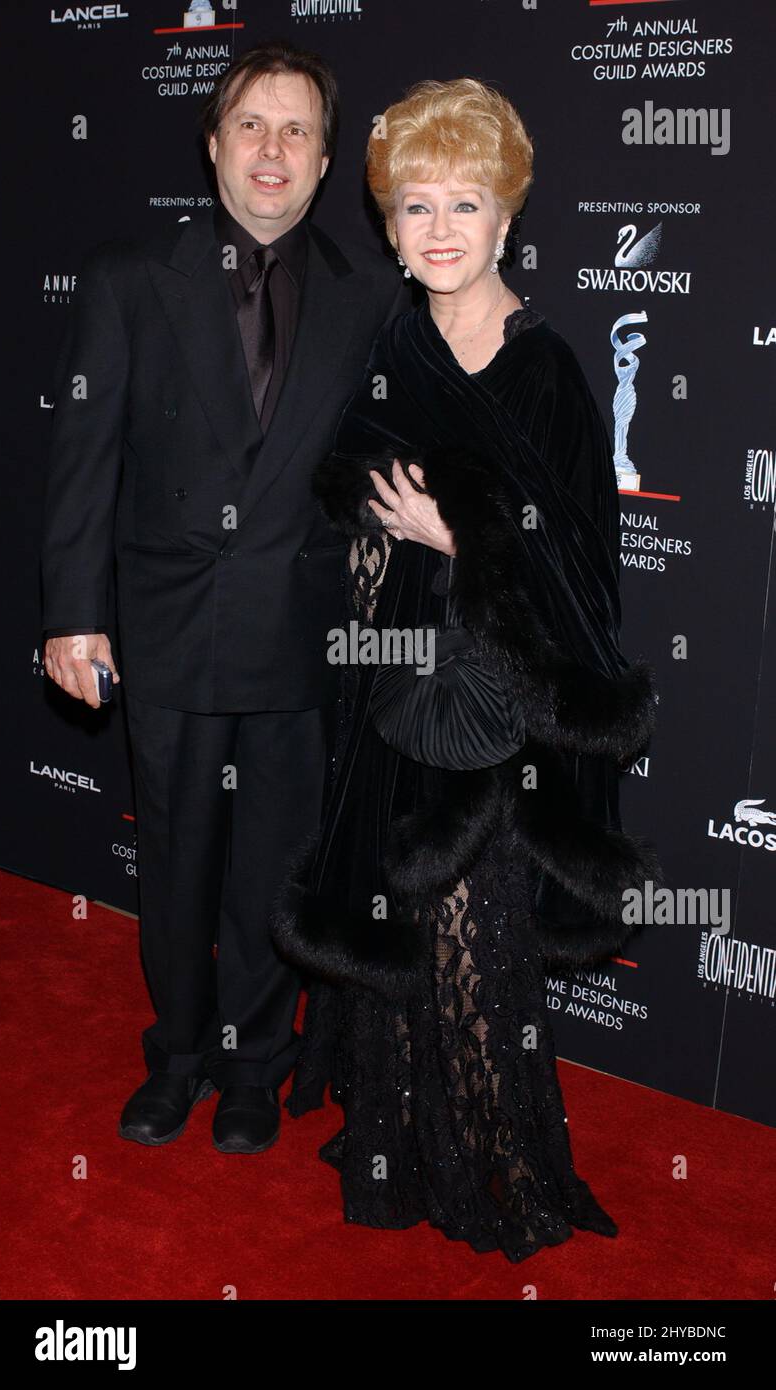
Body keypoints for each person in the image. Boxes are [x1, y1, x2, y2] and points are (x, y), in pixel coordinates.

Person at [272, 77, 662, 1261]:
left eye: (465, 204)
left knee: (472, 940)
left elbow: (583, 572)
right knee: (398, 920)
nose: (438, 229)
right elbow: (345, 494)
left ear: (506, 220)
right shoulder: (395, 342)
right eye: (416, 206)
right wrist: (377, 532)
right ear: (389, 224)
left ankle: (497, 1166)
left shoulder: (545, 371)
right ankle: (397, 1156)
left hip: (501, 714)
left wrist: (461, 540)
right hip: (396, 685)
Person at [39, 42, 408, 1154]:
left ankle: (257, 1061)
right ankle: (181, 1054)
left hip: (300, 641)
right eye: (251, 125)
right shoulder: (127, 279)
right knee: (176, 862)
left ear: (327, 159)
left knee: (271, 869)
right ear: (211, 144)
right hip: (166, 628)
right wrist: (70, 611)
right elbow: (81, 460)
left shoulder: (371, 299)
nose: (272, 151)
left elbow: (381, 476)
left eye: (297, 131)